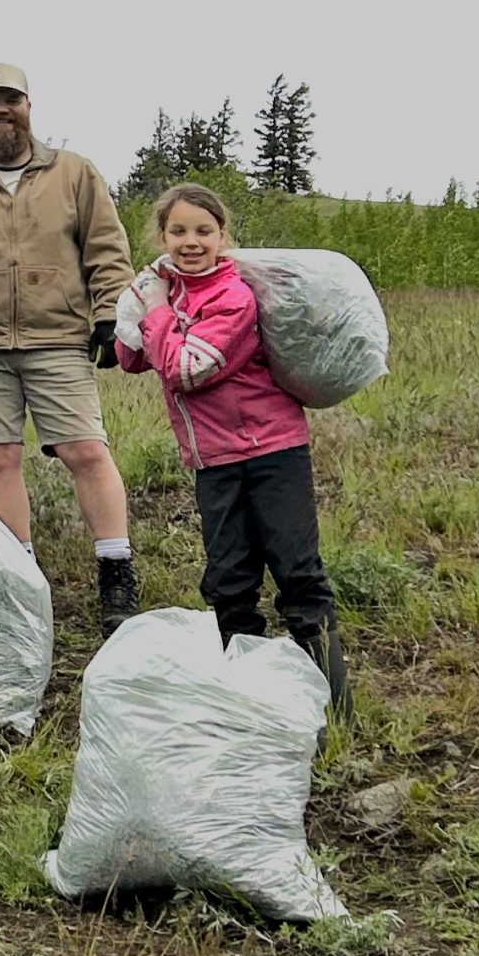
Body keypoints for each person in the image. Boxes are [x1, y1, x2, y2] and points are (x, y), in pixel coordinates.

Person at [0, 61, 138, 628]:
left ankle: (116, 570)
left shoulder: (74, 173)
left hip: (58, 336)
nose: (1, 109)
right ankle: (21, 579)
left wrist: (111, 314)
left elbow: (107, 248)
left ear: (29, 106)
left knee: (85, 450)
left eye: (11, 98)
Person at [116, 183, 350, 717]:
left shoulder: (233, 296)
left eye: (203, 231)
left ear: (224, 237)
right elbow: (128, 356)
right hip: (214, 462)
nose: (190, 242)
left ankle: (334, 711)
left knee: (298, 575)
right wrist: (141, 297)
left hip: (272, 453)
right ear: (162, 236)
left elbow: (185, 369)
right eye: (178, 231)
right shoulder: (170, 291)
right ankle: (251, 707)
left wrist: (155, 313)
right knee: (229, 583)